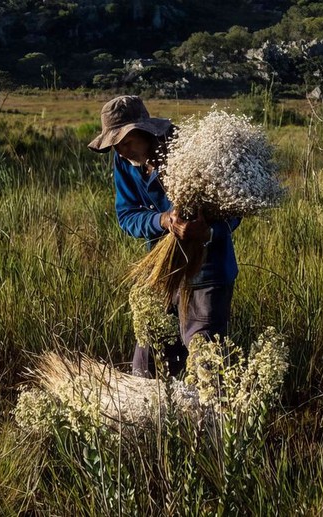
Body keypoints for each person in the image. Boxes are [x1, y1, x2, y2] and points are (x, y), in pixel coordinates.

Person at [87, 95, 241, 377]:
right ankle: (157, 419)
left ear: (145, 132)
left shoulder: (191, 150)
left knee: (205, 362)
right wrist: (164, 220)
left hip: (209, 272)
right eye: (115, 146)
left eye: (126, 142)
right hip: (163, 272)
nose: (121, 152)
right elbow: (127, 216)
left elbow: (233, 211)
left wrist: (207, 231)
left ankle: (208, 420)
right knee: (149, 359)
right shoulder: (125, 162)